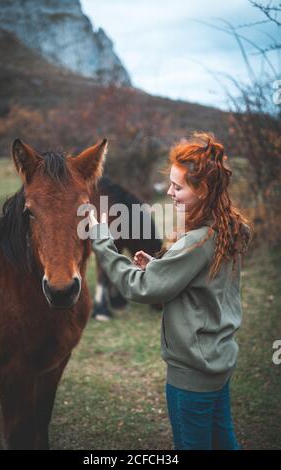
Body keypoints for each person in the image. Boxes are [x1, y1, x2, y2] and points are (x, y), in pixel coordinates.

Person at [87, 132, 250, 450]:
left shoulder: (196, 242)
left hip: (192, 375)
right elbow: (199, 280)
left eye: (178, 187)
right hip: (218, 361)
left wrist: (102, 240)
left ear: (202, 190)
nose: (171, 193)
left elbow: (142, 288)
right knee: (223, 441)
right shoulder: (226, 228)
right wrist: (160, 265)